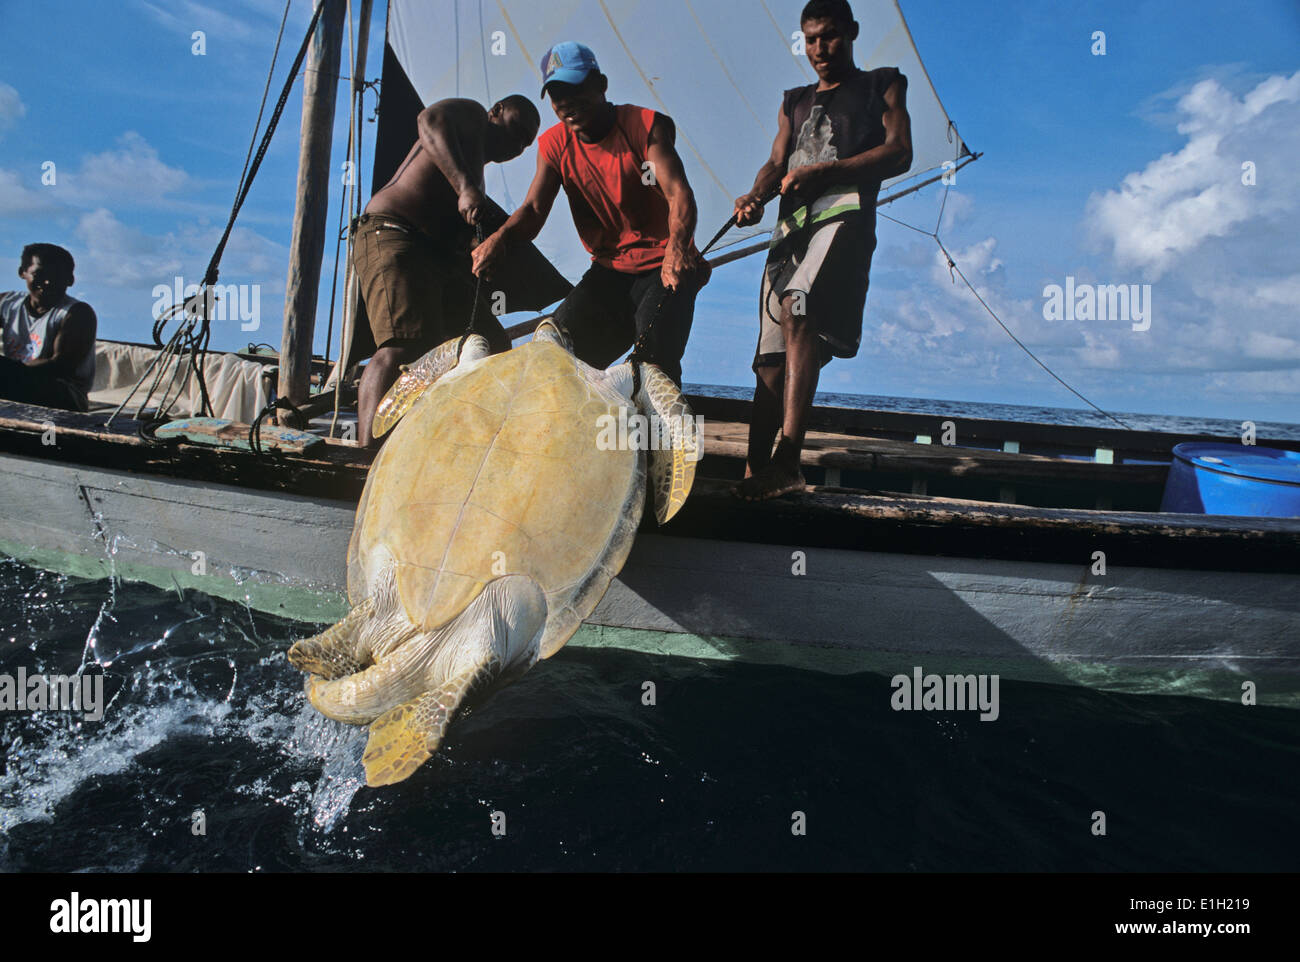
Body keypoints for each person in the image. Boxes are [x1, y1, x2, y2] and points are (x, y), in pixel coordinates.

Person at [732, 0, 912, 500]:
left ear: (852, 33)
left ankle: (788, 461)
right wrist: (754, 195)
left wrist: (825, 172)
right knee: (768, 359)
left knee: (799, 308)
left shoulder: (883, 84)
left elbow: (899, 151)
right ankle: (754, 475)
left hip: (843, 213)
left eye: (830, 36)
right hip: (790, 227)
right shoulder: (793, 99)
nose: (819, 49)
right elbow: (775, 161)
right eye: (810, 39)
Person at [472, 42, 708, 387]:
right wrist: (499, 239)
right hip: (608, 273)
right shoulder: (554, 145)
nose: (565, 102)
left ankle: (658, 440)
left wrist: (678, 246)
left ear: (601, 84)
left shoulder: (644, 126)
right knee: (554, 358)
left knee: (651, 368)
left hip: (663, 267)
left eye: (574, 88)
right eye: (556, 94)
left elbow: (678, 194)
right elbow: (534, 210)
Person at [354, 94, 540, 447]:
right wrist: (465, 188)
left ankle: (458, 451)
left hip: (436, 257)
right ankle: (366, 457)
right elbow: (429, 120)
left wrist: (479, 251)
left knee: (490, 346)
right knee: (401, 346)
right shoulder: (469, 116)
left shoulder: (478, 174)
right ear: (496, 111)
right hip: (394, 231)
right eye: (516, 130)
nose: (517, 145)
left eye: (524, 144)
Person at [0, 243, 97, 412]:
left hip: (63, 395)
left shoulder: (77, 313)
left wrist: (11, 369)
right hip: (13, 382)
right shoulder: (7, 303)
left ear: (70, 280)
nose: (47, 282)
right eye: (39, 274)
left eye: (57, 276)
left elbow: (60, 366)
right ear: (22, 272)